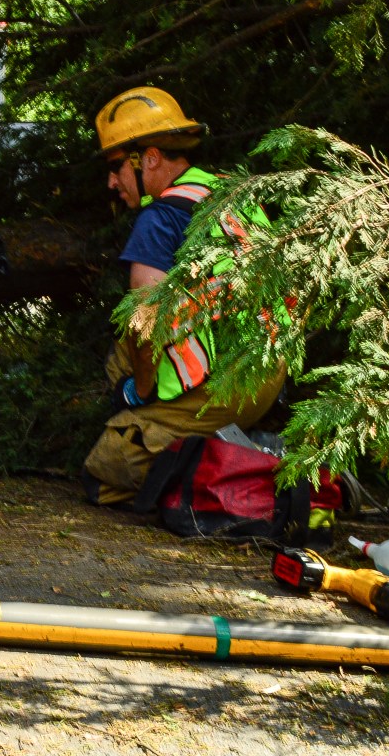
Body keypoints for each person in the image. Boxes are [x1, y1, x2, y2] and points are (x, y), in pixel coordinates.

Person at [82, 87, 286, 506]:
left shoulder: (159, 219)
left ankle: (248, 476)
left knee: (105, 471)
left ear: (150, 159)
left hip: (225, 387)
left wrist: (141, 392)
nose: (111, 181)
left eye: (116, 167)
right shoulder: (224, 193)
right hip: (267, 371)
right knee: (121, 347)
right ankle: (220, 444)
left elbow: (146, 323)